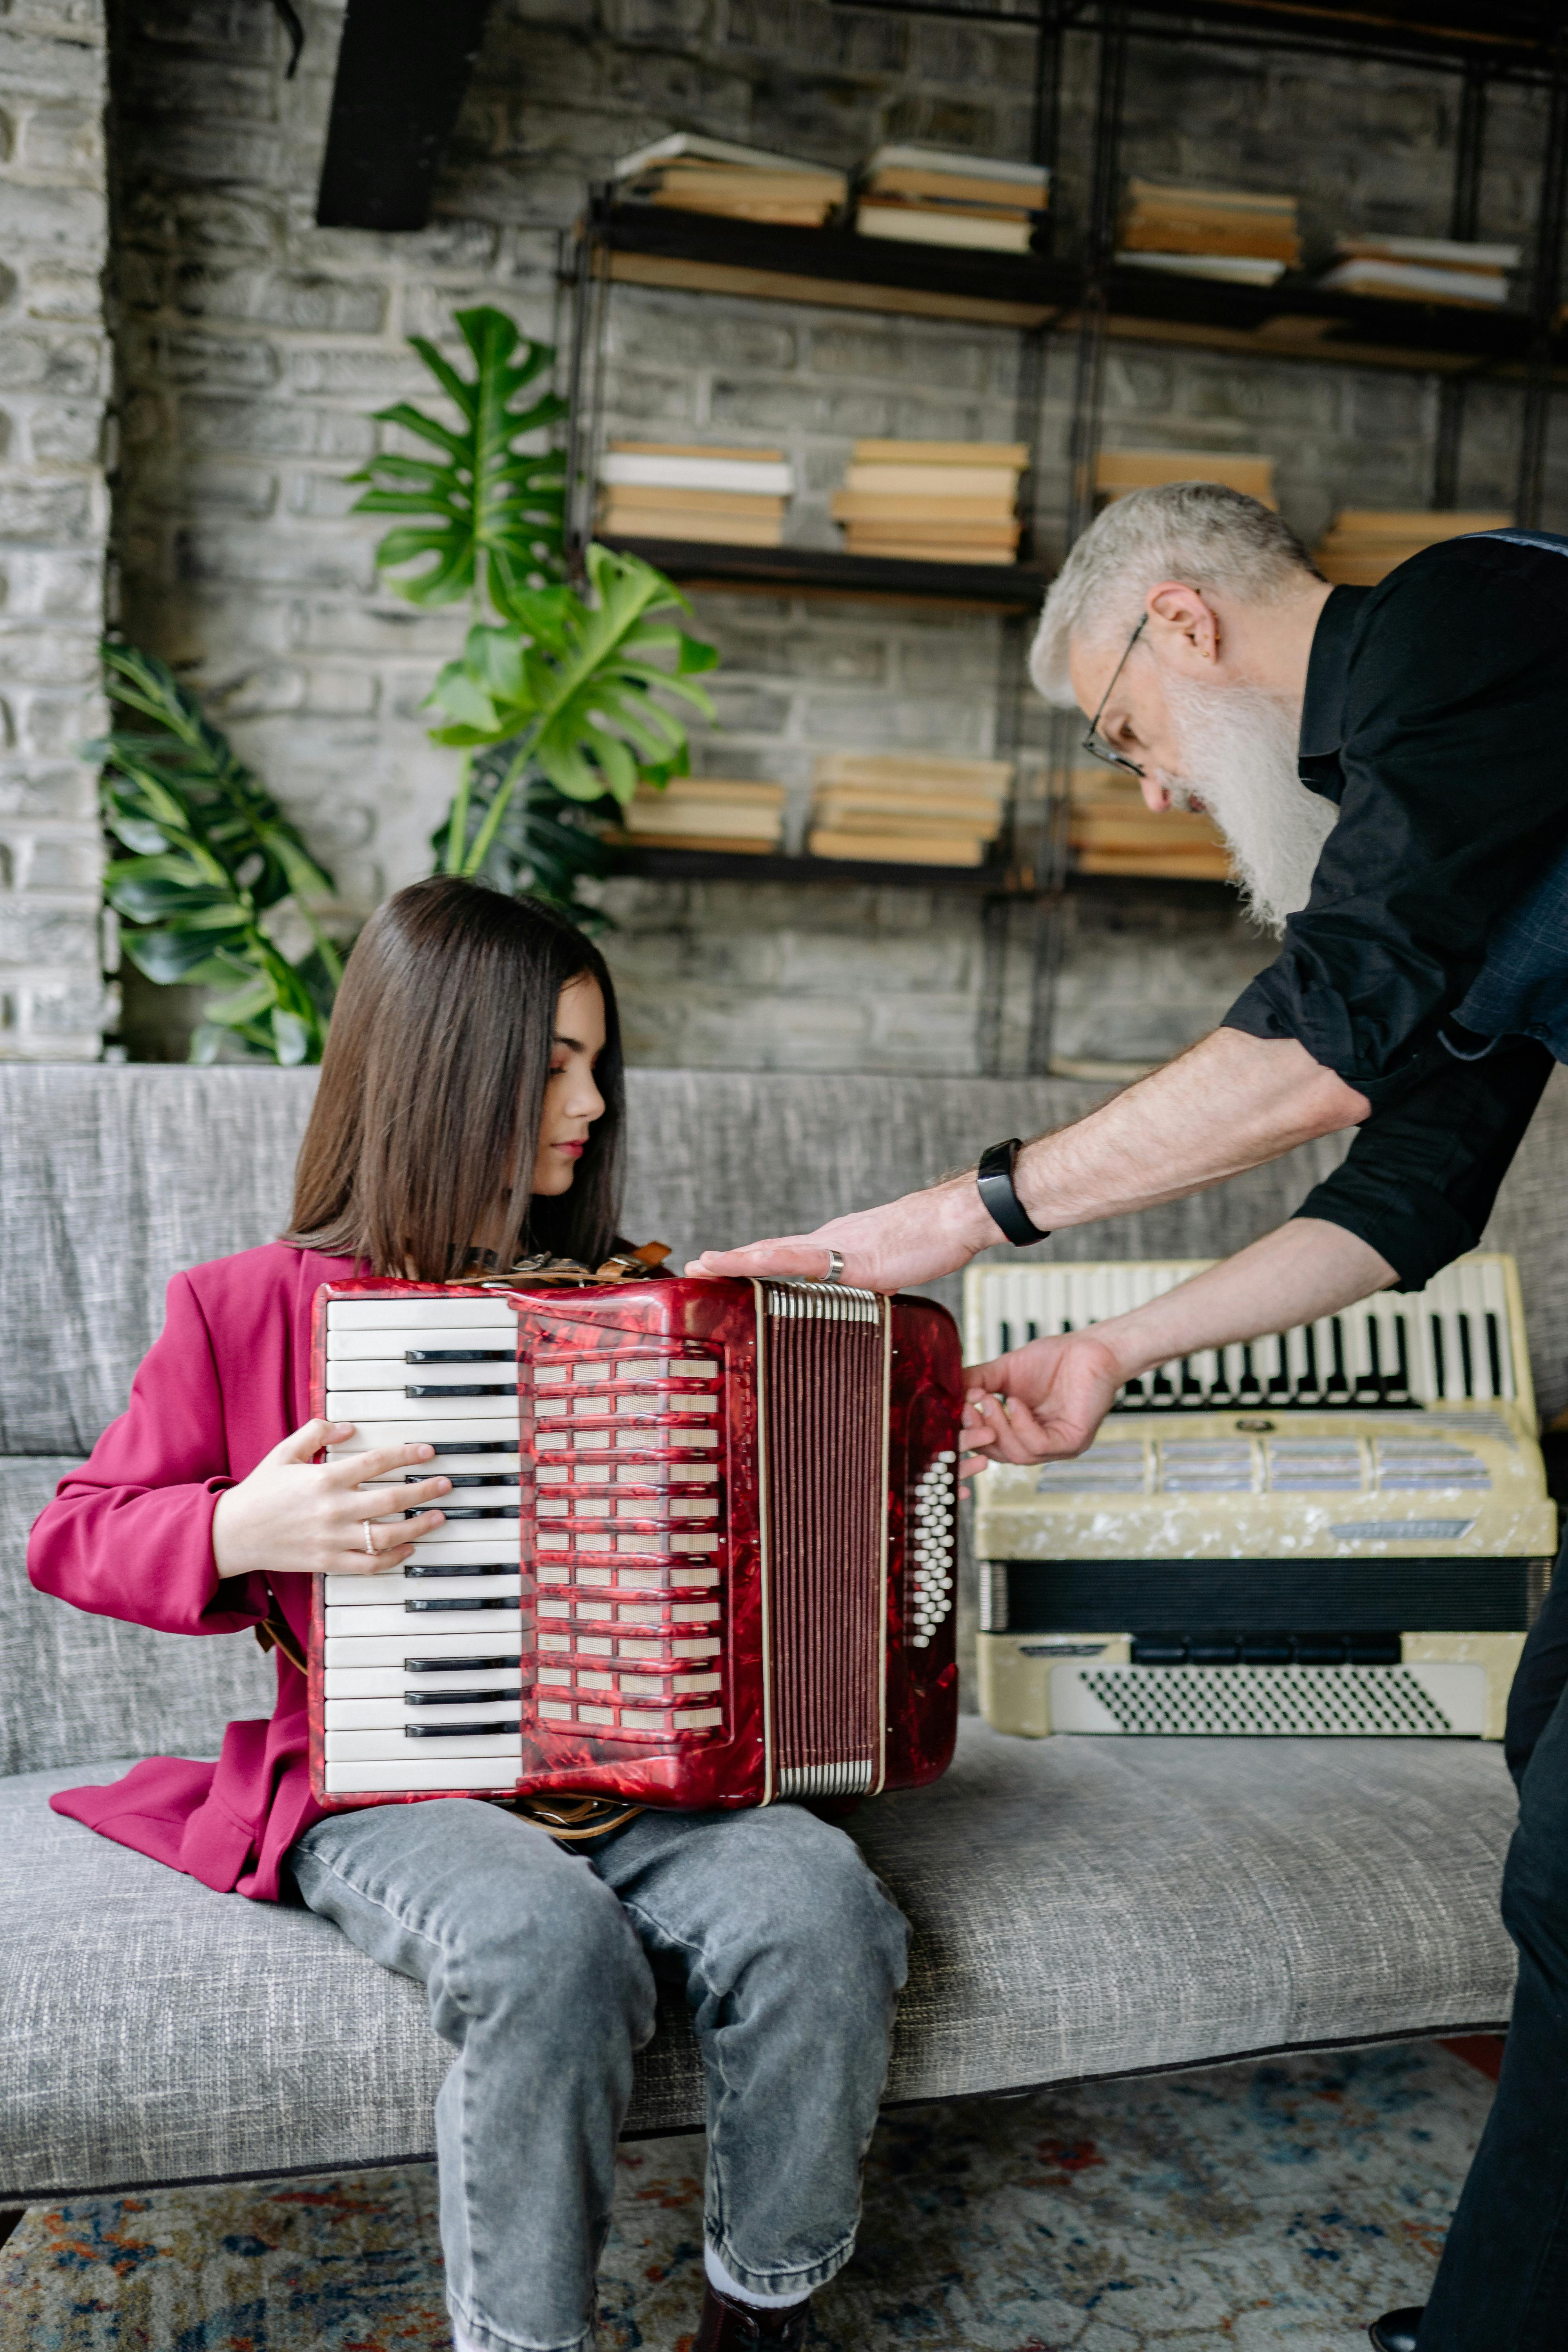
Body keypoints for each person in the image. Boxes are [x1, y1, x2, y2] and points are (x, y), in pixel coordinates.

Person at [689, 484, 1568, 2352]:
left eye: (1123, 733)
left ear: (1182, 622)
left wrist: (944, 1221)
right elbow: (1413, 1184)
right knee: (1552, 1732)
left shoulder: (1462, 625)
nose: (1152, 789)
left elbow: (1327, 1039)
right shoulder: (1475, 803)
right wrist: (1112, 1352)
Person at [29, 877, 908, 2352]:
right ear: (444, 1069)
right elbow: (73, 1536)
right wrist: (244, 1521)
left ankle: (761, 2313)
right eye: (553, 1064)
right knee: (544, 1948)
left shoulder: (645, 1310)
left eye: (597, 1063)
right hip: (390, 1775)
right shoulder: (246, 1305)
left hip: (638, 1770)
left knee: (822, 1908)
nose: (591, 1099)